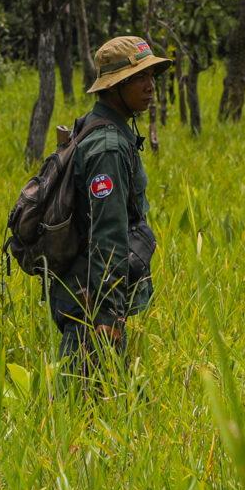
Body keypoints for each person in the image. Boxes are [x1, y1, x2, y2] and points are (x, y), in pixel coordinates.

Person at [51, 34, 170, 380]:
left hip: (86, 291)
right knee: (81, 399)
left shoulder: (99, 128)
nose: (150, 87)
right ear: (114, 86)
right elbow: (108, 236)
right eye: (138, 78)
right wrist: (109, 316)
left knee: (98, 398)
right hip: (90, 299)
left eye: (151, 76)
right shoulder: (108, 147)